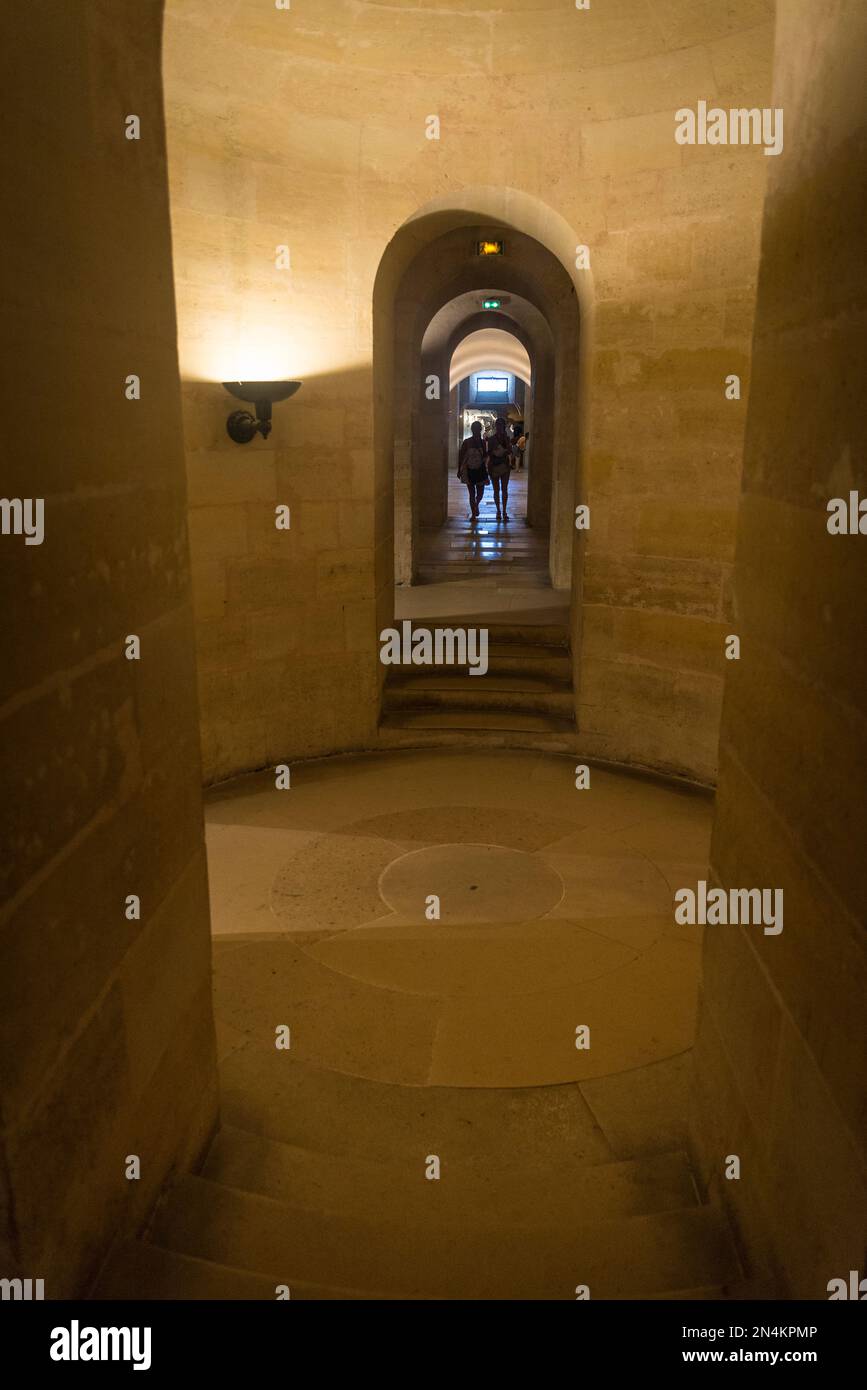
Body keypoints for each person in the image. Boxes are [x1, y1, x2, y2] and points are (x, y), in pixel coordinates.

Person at [457, 420, 487, 520]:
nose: (476, 431)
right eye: (475, 429)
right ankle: (473, 513)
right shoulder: (467, 442)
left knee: (480, 493)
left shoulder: (483, 442)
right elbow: (461, 457)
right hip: (469, 469)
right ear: (472, 430)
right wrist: (459, 469)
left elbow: (485, 456)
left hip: (480, 469)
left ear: (480, 430)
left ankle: (476, 504)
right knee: (472, 493)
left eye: (478, 429)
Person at [486, 416, 512, 521]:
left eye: (501, 425)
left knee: (504, 489)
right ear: (496, 426)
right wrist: (496, 452)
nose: (500, 427)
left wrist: (504, 449)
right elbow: (489, 453)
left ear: (504, 427)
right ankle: (498, 510)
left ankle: (504, 511)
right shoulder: (492, 439)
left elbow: (510, 451)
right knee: (496, 490)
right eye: (498, 425)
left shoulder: (507, 438)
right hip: (495, 465)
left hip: (504, 466)